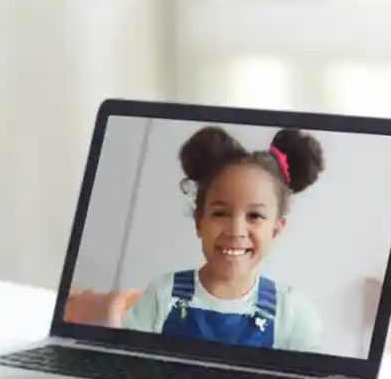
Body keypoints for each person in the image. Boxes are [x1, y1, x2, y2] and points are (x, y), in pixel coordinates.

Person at [121, 126, 327, 352]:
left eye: (254, 216)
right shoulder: (163, 295)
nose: (236, 231)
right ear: (200, 221)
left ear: (276, 230)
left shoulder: (291, 313)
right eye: (220, 213)